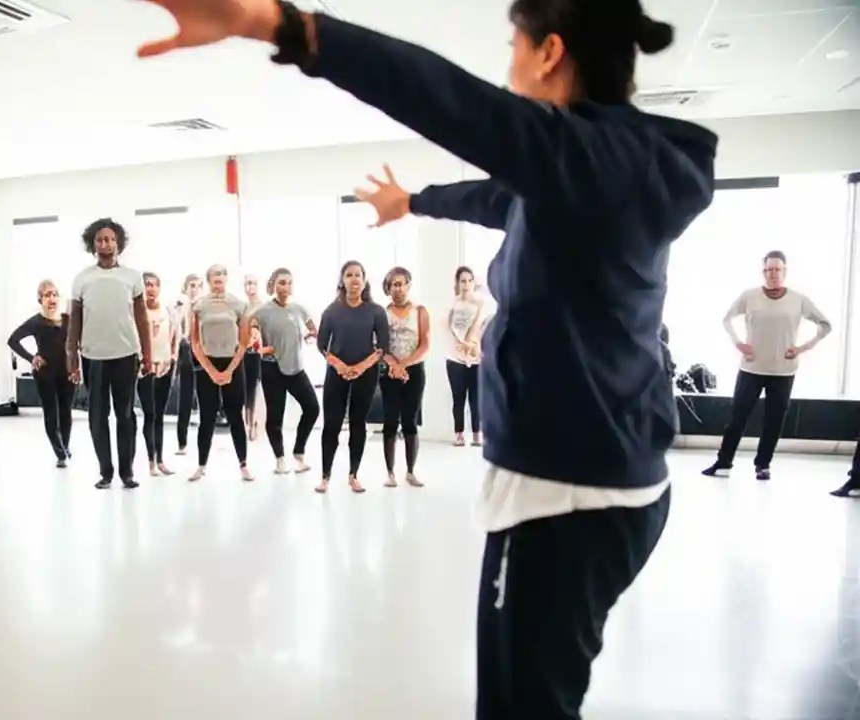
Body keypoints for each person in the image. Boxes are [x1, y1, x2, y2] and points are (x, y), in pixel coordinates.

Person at [133, 1, 718, 714]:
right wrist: (414, 202)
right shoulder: (597, 176)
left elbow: (454, 103)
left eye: (514, 46)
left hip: (565, 499)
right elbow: (498, 197)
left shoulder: (585, 161)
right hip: (609, 477)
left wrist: (279, 24)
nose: (508, 65)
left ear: (549, 53)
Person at [703, 250, 831, 481]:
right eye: (768, 269)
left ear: (784, 271)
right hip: (751, 368)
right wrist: (738, 343)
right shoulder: (749, 296)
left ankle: (763, 465)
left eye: (777, 269)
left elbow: (825, 325)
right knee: (737, 418)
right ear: (763, 271)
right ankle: (723, 462)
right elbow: (726, 319)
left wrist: (802, 348)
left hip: (783, 371)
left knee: (773, 420)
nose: (772, 274)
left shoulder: (798, 299)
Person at [66, 218, 152, 489]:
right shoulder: (82, 279)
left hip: (126, 355)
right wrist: (72, 358)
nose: (106, 243)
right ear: (93, 244)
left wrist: (147, 353)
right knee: (97, 416)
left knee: (125, 415)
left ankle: (127, 472)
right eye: (100, 239)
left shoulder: (132, 277)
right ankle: (106, 472)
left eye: (111, 239)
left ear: (119, 243)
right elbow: (74, 323)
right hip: (93, 357)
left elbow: (142, 319)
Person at [316, 261, 388, 494]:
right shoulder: (331, 311)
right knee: (331, 425)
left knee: (358, 424)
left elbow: (383, 347)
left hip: (365, 374)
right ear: (342, 281)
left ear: (365, 280)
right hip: (336, 374)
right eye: (349, 275)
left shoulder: (376, 311)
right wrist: (340, 365)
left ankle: (353, 475)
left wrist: (359, 367)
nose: (354, 279)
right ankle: (325, 475)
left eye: (358, 275)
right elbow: (322, 345)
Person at [187, 264, 254, 482]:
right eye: (215, 274)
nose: (219, 277)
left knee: (235, 415)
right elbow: (194, 342)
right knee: (207, 416)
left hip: (232, 362)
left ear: (226, 279)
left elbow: (244, 341)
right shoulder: (199, 306)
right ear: (208, 279)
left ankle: (243, 465)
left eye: (222, 274)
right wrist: (211, 371)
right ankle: (201, 465)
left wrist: (230, 369)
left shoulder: (238, 304)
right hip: (207, 364)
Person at [250, 268, 319, 475]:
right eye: (281, 282)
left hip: (295, 367)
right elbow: (252, 329)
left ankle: (299, 452)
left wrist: (310, 335)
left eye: (289, 282)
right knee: (275, 416)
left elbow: (313, 328)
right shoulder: (262, 311)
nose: (286, 287)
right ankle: (280, 459)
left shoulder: (299, 309)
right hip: (272, 368)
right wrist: (258, 344)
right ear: (272, 285)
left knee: (313, 408)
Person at [8, 280, 74, 467]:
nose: (52, 298)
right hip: (45, 373)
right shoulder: (36, 322)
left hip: (66, 371)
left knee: (65, 412)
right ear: (40, 299)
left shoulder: (68, 320)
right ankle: (60, 453)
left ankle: (65, 446)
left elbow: (77, 343)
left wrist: (76, 366)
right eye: (47, 295)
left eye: (54, 294)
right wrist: (31, 358)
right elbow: (13, 340)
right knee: (51, 413)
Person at [380, 266, 431, 487]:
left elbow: (425, 344)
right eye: (393, 285)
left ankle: (410, 471)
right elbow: (379, 346)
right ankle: (390, 473)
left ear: (408, 285)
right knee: (390, 420)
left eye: (401, 284)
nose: (397, 289)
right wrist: (393, 364)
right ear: (388, 288)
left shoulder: (420, 311)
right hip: (389, 371)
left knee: (410, 420)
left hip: (414, 372)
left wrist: (404, 365)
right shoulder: (382, 313)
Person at [137, 272, 178, 477]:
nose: (150, 288)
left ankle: (160, 459)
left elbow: (175, 335)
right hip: (144, 369)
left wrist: (172, 357)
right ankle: (150, 460)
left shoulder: (168, 311)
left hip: (164, 366)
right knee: (150, 414)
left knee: (160, 415)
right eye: (147, 285)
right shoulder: (137, 312)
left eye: (154, 285)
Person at [447, 266, 485, 447]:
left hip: (476, 355)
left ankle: (477, 434)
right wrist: (461, 343)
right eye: (463, 280)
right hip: (455, 357)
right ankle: (459, 434)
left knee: (476, 398)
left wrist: (471, 344)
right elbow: (449, 327)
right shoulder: (452, 303)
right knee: (458, 397)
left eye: (469, 280)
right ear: (457, 283)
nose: (466, 284)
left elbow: (480, 326)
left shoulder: (480, 303)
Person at [173, 273, 203, 455]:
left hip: (202, 349)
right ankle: (182, 443)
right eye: (191, 285)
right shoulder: (180, 307)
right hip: (185, 349)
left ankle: (203, 443)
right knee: (184, 397)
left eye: (197, 285)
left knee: (204, 397)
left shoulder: (204, 306)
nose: (194, 289)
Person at [241, 273, 264, 441]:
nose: (250, 287)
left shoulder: (263, 307)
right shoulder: (242, 307)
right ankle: (247, 422)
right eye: (248, 284)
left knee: (256, 388)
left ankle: (256, 422)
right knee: (246, 389)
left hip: (259, 352)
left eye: (253, 283)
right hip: (244, 352)